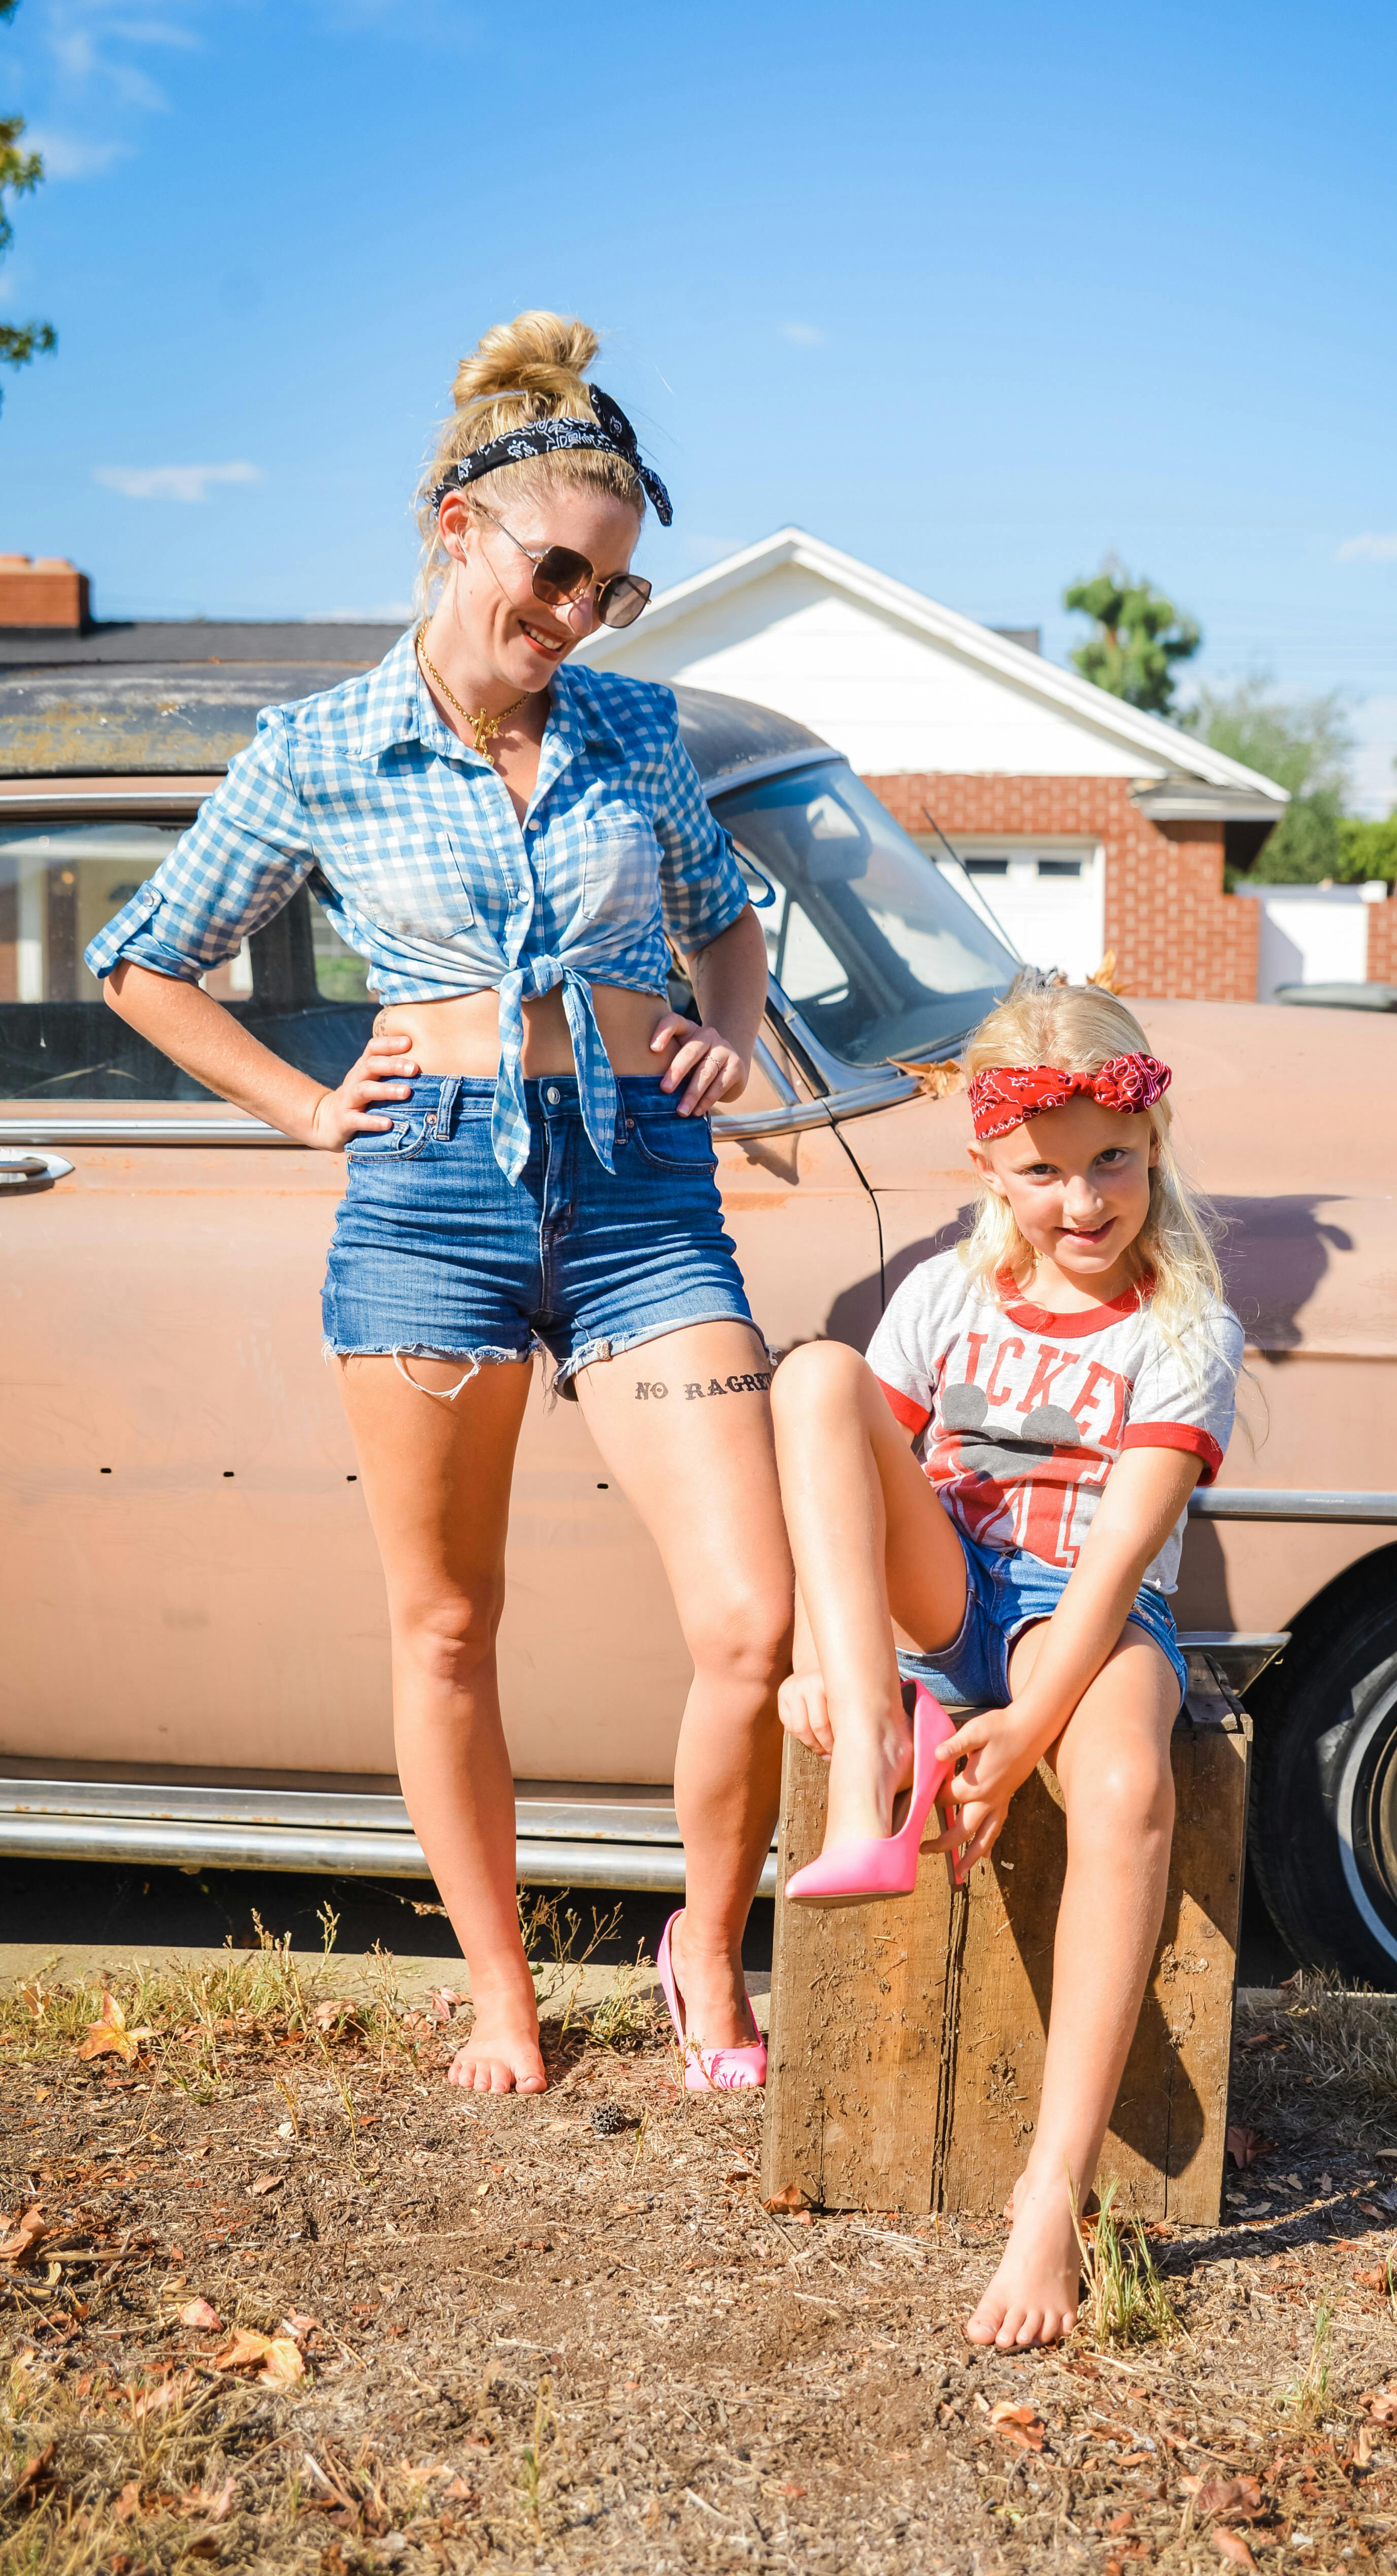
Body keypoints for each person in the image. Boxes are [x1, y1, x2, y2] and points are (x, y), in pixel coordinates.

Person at [88, 310, 790, 2098]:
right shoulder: (316, 747)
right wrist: (310, 1107)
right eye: (560, 571)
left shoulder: (636, 732)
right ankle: (500, 1993)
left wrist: (720, 1031)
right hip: (429, 1197)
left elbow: (725, 920)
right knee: (449, 1621)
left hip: (641, 1189)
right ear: (455, 528)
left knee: (750, 1620)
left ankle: (705, 1938)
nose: (577, 617)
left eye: (613, 592)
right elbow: (146, 962)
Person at [769, 973, 1242, 2347]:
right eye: (1044, 1173)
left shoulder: (1183, 1324)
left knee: (1126, 1790)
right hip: (948, 1583)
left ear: (1154, 1145)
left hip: (1079, 1614)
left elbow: (1114, 1565)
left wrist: (1031, 1726)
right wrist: (817, 1649)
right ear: (987, 1164)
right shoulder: (944, 1291)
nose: (1084, 1203)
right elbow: (846, 1473)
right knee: (811, 1374)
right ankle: (875, 1746)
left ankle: (1053, 2190)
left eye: (1114, 1164)